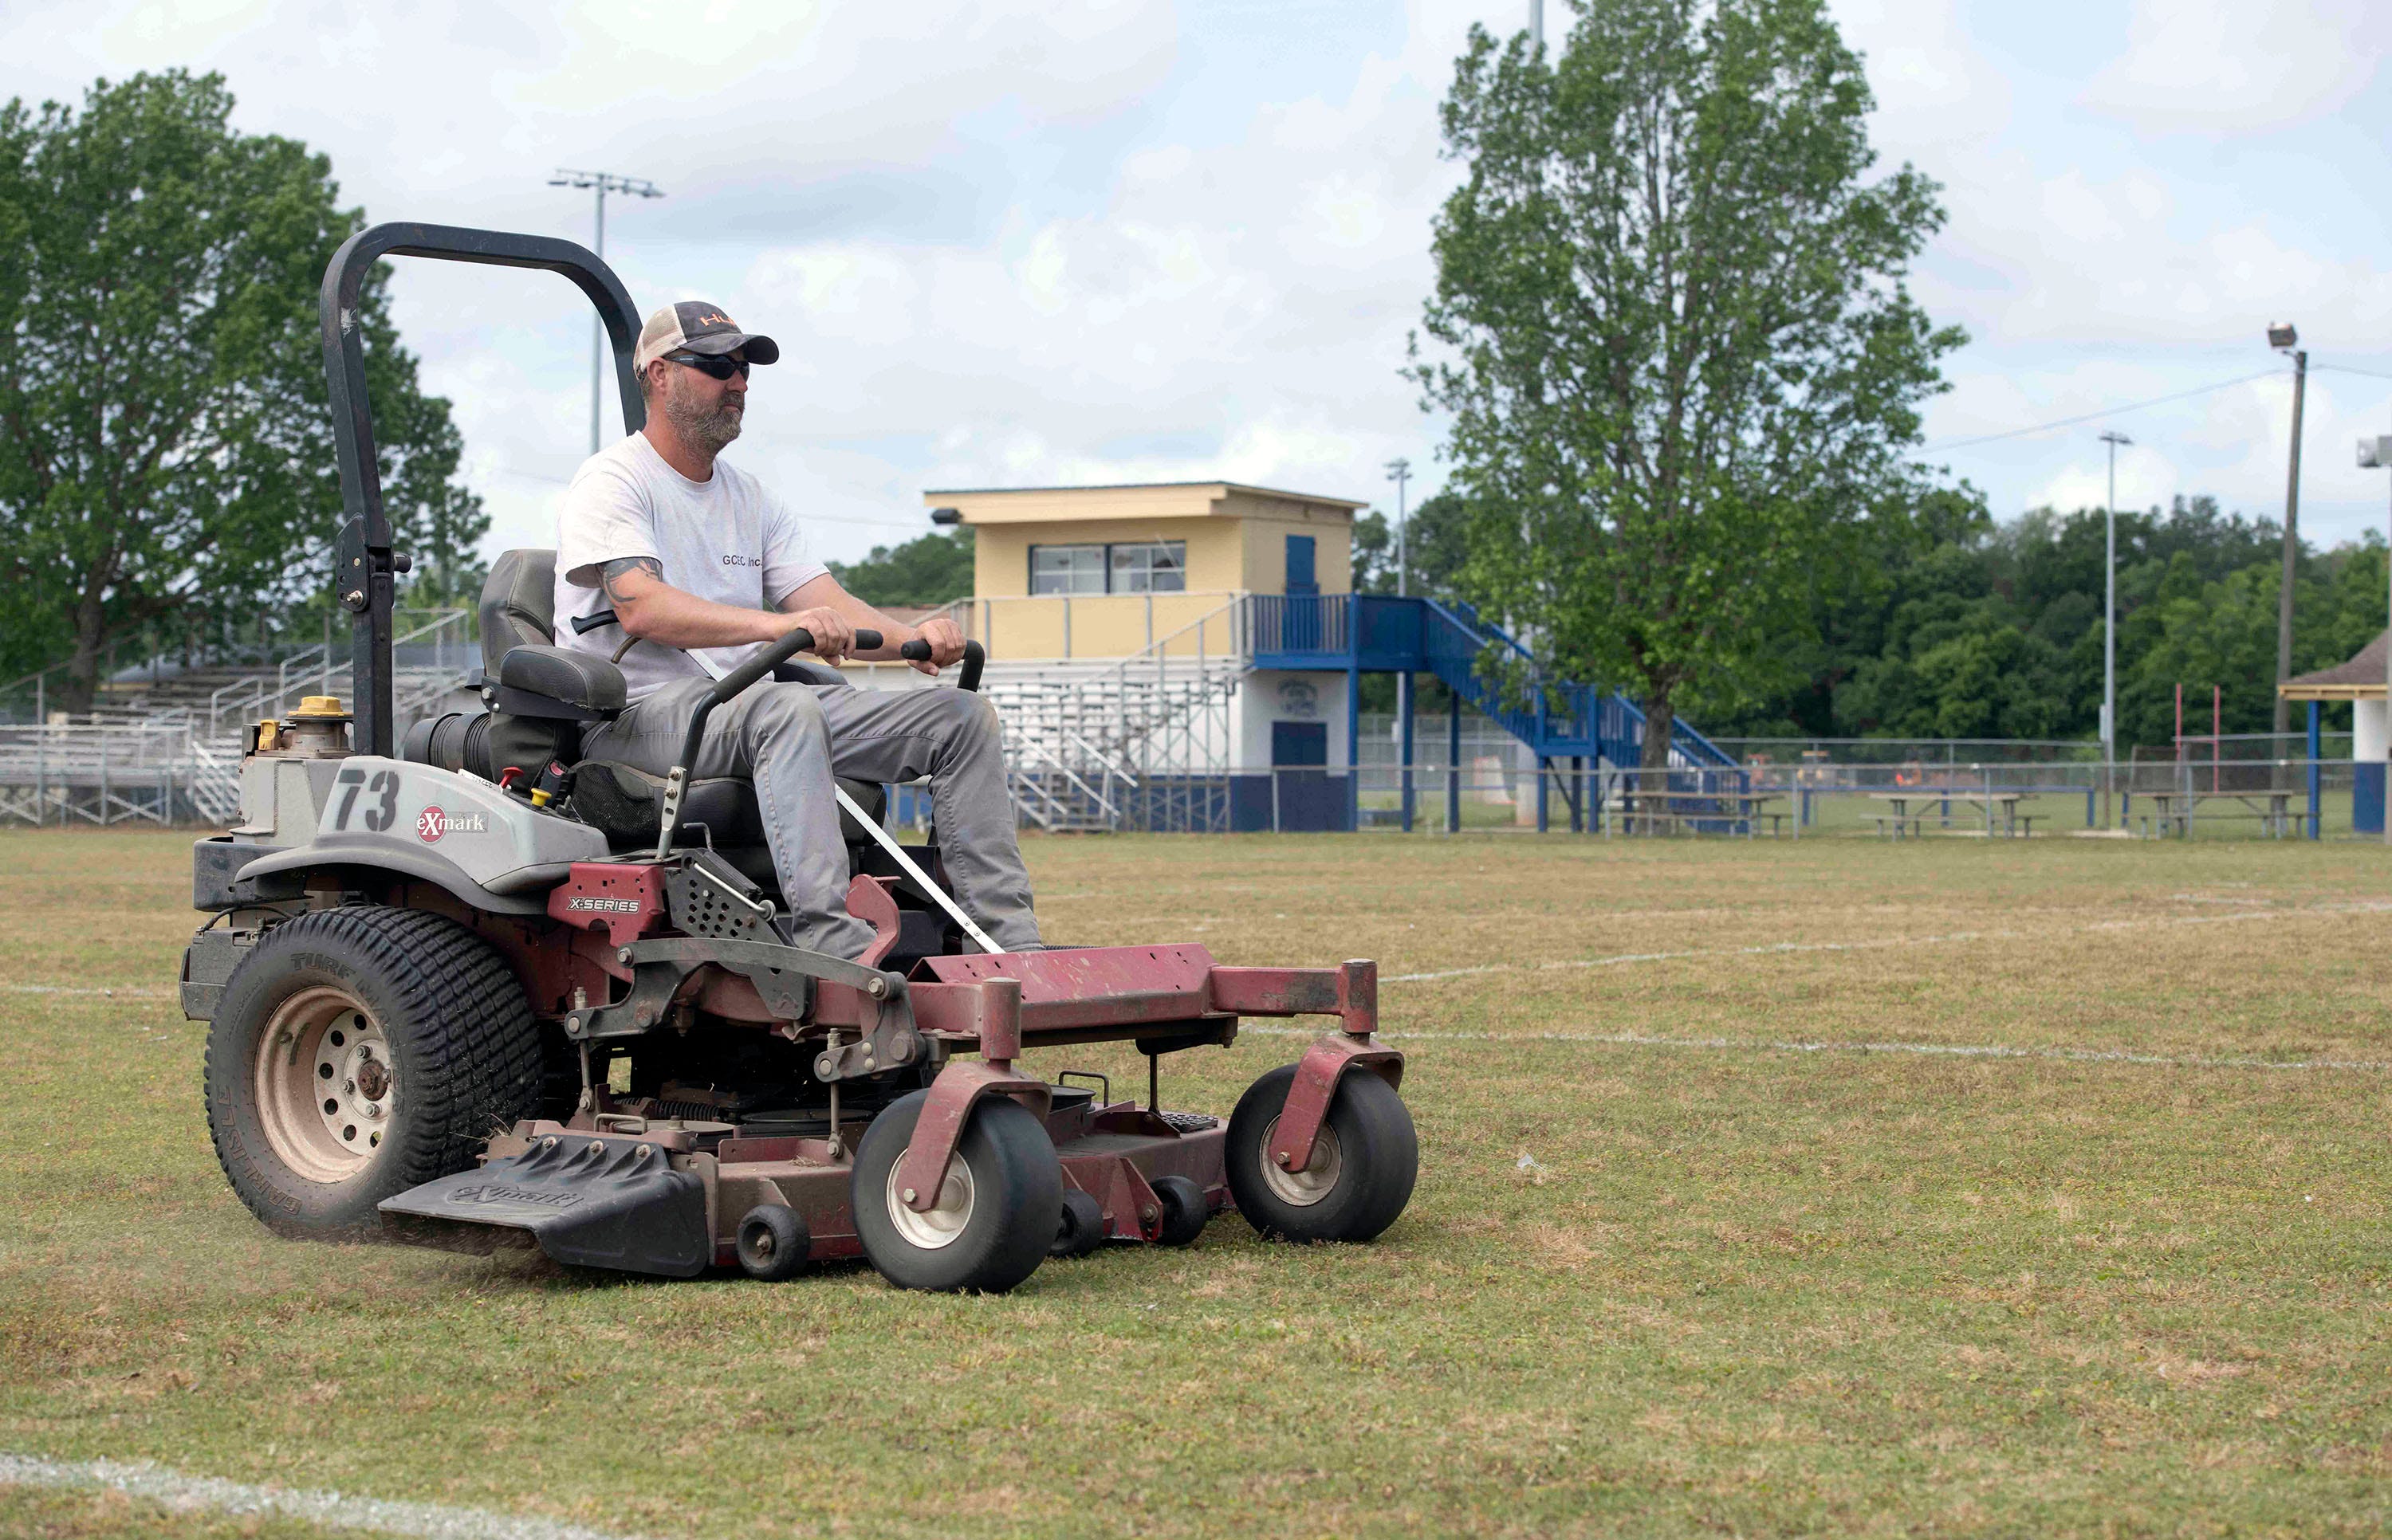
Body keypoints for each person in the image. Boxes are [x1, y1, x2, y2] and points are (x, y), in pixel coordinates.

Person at [551, 300, 1039, 957]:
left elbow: (824, 601)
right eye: (719, 365)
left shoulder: (750, 497)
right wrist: (783, 627)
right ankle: (832, 943)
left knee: (960, 718)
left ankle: (1010, 948)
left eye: (746, 368)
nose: (740, 383)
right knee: (784, 705)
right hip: (639, 721)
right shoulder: (612, 481)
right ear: (659, 374)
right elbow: (641, 604)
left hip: (744, 707)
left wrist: (913, 637)